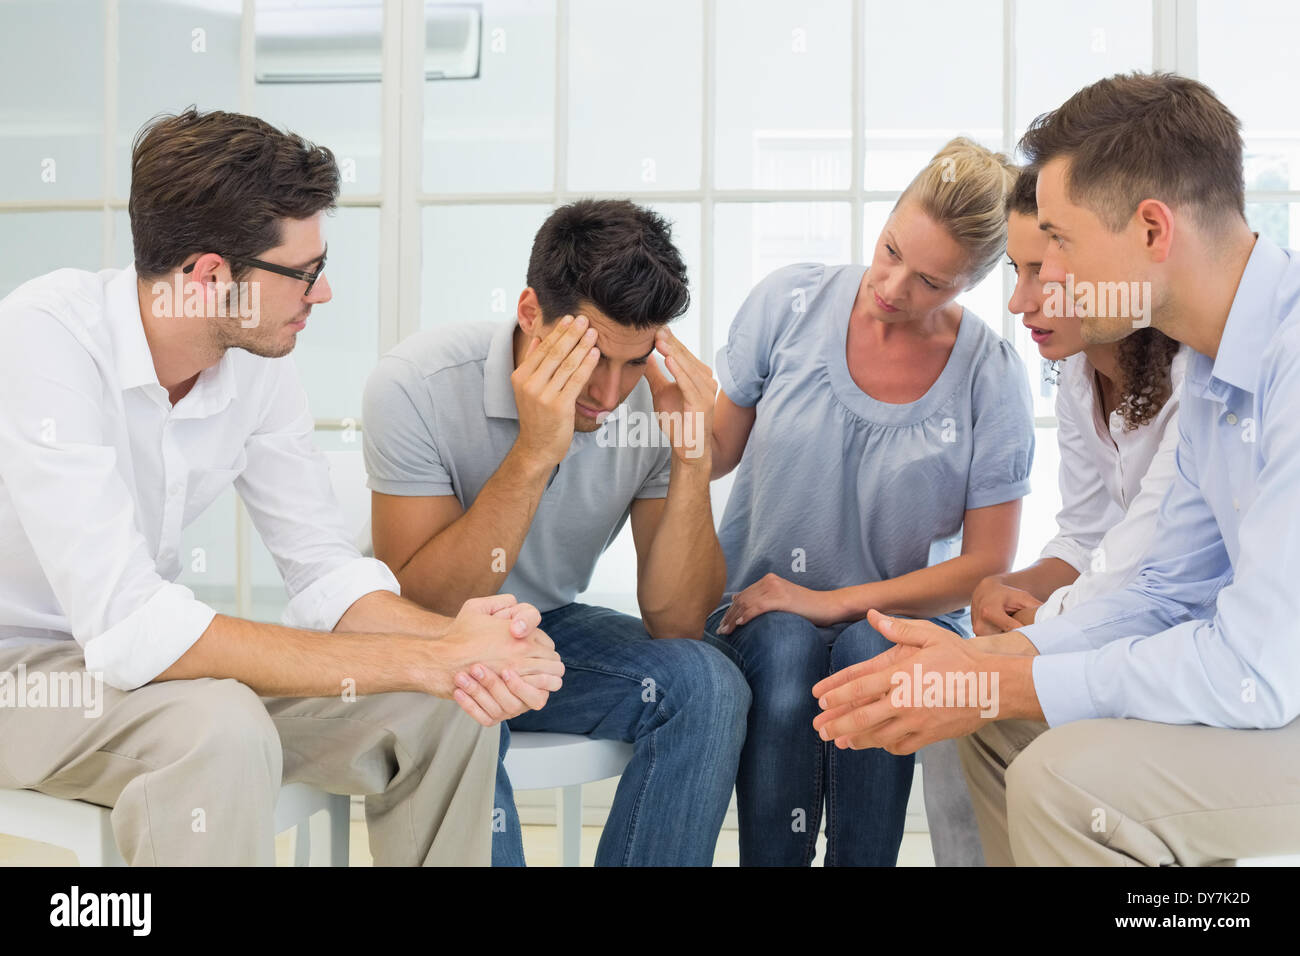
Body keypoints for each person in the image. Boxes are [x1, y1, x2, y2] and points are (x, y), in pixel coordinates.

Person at [0, 108, 564, 867]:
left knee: (450, 710)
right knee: (220, 727)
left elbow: (325, 574)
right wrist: (426, 656)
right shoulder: (43, 340)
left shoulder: (259, 368)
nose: (322, 294)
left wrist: (463, 649)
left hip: (143, 671)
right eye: (303, 272)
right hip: (22, 678)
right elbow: (130, 627)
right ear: (208, 278)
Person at [812, 72, 1300, 866]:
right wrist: (986, 665)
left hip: (1276, 690)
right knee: (994, 725)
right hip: (1273, 685)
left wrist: (1009, 677)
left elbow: (1255, 668)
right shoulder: (1210, 370)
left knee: (1068, 784)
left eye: (1061, 243)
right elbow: (1163, 588)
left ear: (1151, 231)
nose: (1038, 284)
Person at [362, 198, 750, 867]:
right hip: (429, 642)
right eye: (592, 355)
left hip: (547, 629)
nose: (608, 391)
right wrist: (537, 451)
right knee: (462, 692)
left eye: (633, 363)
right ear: (530, 314)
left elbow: (679, 622)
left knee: (709, 684)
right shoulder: (416, 384)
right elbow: (419, 608)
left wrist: (691, 457)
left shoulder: (647, 406)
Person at [704, 138, 1035, 865]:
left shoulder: (991, 377)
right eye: (890, 250)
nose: (891, 286)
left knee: (871, 650)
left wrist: (830, 600)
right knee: (788, 650)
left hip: (895, 616)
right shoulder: (789, 304)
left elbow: (986, 563)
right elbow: (713, 451)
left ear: (973, 283)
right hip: (759, 607)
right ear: (888, 217)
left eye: (929, 281)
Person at [970, 167, 1185, 635]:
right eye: (1016, 269)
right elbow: (1088, 539)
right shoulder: (1076, 374)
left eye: (1045, 275)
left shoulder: (1190, 380)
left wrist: (1042, 620)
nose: (1019, 302)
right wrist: (1006, 587)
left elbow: (1145, 560)